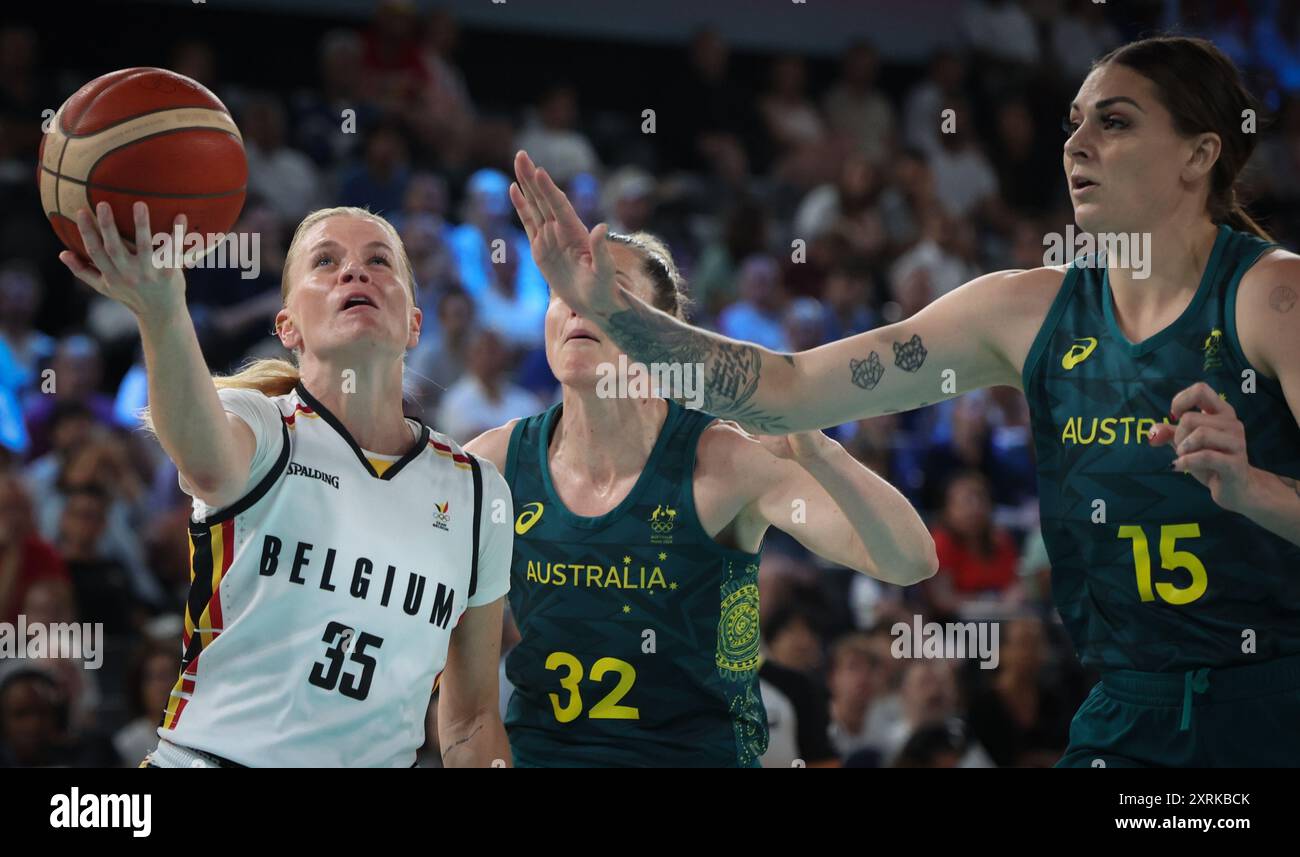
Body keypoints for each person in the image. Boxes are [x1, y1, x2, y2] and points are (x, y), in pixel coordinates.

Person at [514, 35, 1300, 767]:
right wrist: (613, 310)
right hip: (1122, 714)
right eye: (1073, 122)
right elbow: (786, 389)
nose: (1075, 144)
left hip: (1270, 701)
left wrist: (1256, 489)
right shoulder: (1022, 312)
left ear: (1200, 153)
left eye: (1115, 121)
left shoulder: (1272, 298)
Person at [57, 202, 512, 767]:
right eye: (326, 261)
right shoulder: (262, 426)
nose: (355, 271)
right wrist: (162, 308)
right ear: (287, 327)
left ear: (414, 323)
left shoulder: (476, 493)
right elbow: (203, 460)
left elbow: (470, 721)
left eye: (379, 260)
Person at [465, 226, 936, 767]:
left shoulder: (726, 460)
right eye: (562, 292)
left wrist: (817, 450)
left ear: (661, 332)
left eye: (604, 291)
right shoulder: (497, 463)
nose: (577, 306)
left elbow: (910, 560)